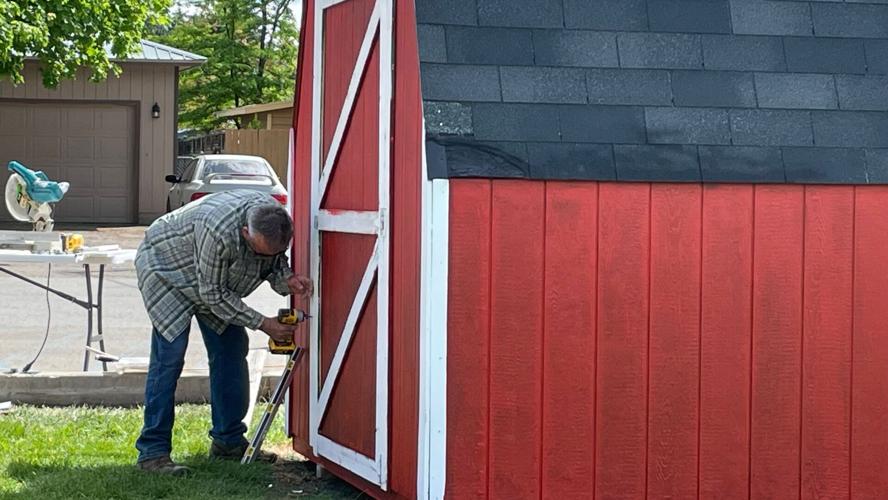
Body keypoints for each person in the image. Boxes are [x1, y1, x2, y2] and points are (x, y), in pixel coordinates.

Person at [133, 190, 312, 475]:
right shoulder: (217, 230)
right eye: (258, 251)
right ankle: (152, 453)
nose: (264, 257)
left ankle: (228, 441)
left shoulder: (272, 220)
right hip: (167, 269)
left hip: (210, 278)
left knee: (230, 349)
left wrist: (288, 280)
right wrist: (264, 324)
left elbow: (273, 265)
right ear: (244, 233)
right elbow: (212, 294)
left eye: (275, 251)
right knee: (170, 357)